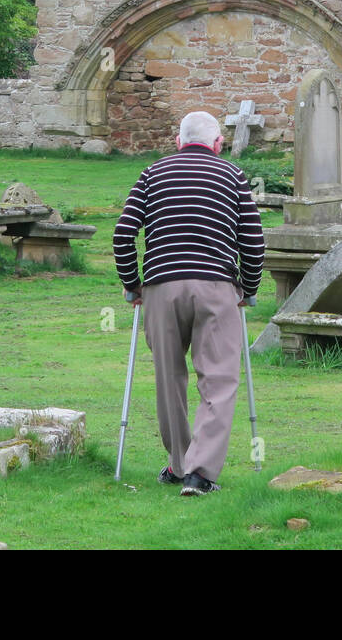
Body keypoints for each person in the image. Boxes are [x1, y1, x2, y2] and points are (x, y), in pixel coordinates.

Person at [113, 110, 265, 496]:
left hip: (162, 288)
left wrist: (133, 285)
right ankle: (199, 474)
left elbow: (123, 234)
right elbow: (253, 242)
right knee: (219, 380)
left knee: (169, 379)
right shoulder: (232, 175)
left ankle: (179, 465)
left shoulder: (152, 173)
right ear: (217, 144)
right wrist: (247, 289)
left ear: (179, 142)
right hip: (216, 286)